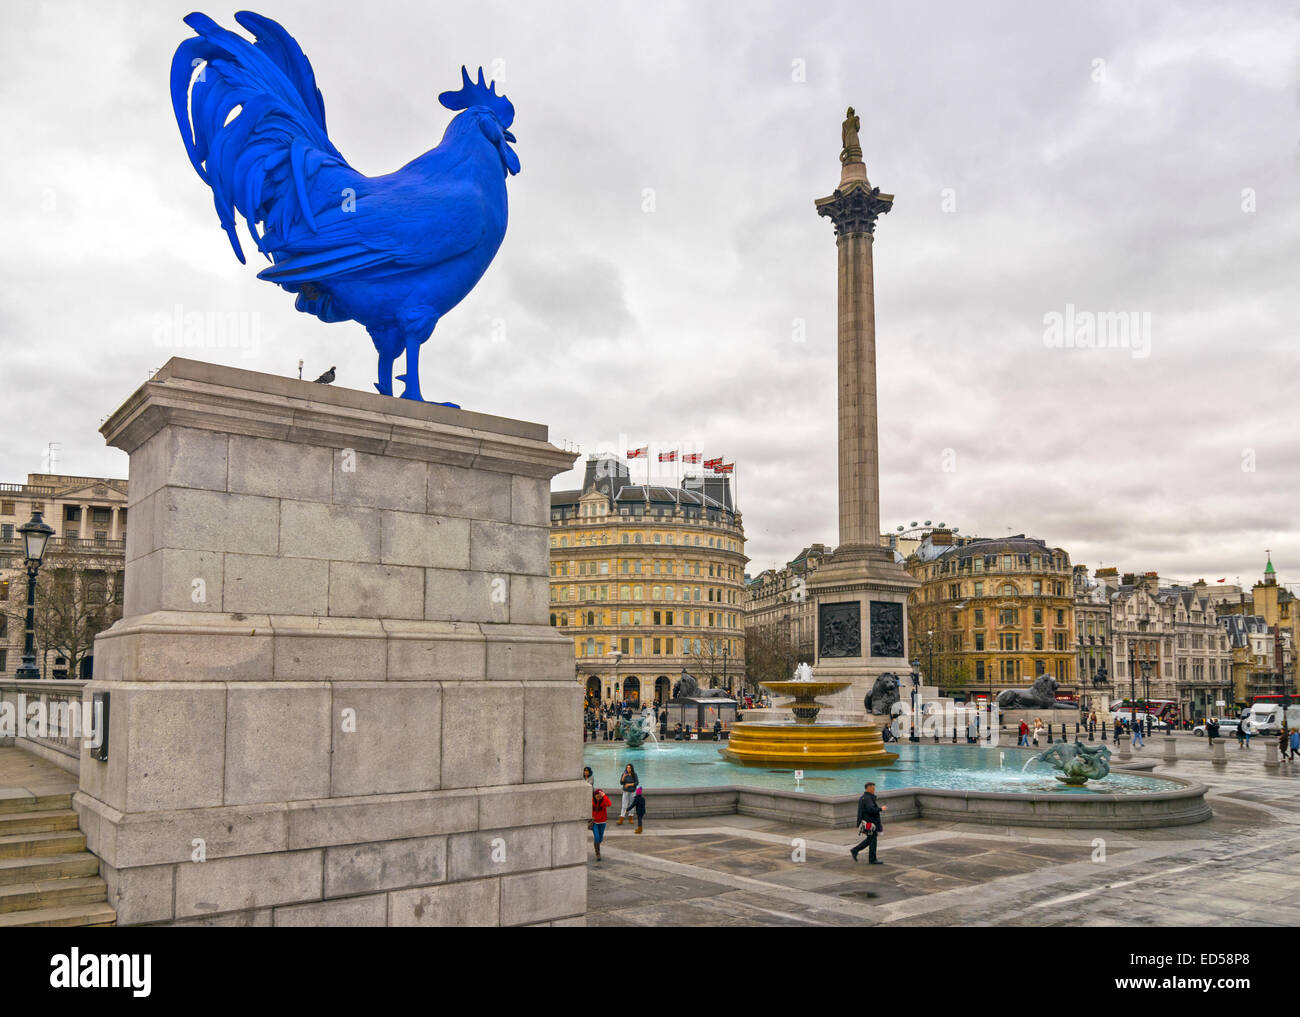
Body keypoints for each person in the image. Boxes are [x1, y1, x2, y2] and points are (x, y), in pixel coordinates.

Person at [850, 781, 885, 864]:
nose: (874, 790)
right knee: (872, 839)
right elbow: (871, 810)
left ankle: (856, 850)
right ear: (868, 788)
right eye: (873, 788)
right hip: (869, 823)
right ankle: (871, 859)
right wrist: (881, 809)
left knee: (871, 839)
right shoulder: (867, 798)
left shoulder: (865, 797)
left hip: (867, 822)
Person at [590, 787, 612, 861]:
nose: (598, 798)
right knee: (597, 837)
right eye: (597, 796)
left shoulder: (604, 801)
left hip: (602, 822)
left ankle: (597, 846)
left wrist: (604, 795)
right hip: (594, 822)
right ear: (594, 796)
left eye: (600, 796)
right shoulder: (591, 801)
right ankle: (597, 853)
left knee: (600, 838)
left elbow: (609, 804)